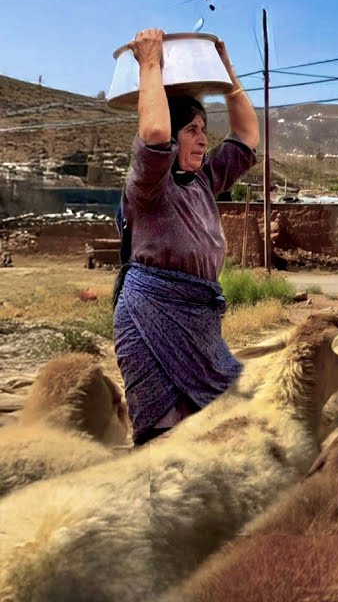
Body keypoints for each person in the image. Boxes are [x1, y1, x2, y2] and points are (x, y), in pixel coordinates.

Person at [112, 28, 259, 445]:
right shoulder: (149, 186)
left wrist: (228, 74)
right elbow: (154, 135)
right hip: (151, 318)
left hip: (200, 323)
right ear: (174, 136)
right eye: (192, 129)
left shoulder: (203, 180)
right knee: (164, 439)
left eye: (203, 129)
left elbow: (247, 137)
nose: (203, 138)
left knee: (221, 431)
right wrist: (150, 64)